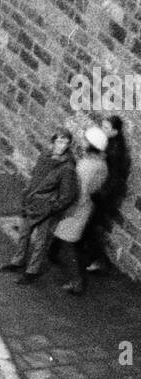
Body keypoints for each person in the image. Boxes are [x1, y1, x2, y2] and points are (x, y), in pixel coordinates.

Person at [0, 130, 78, 283]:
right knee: (24, 233)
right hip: (33, 202)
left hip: (47, 207)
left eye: (66, 143)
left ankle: (32, 272)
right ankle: (17, 261)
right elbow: (35, 178)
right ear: (53, 142)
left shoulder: (67, 167)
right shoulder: (44, 157)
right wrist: (27, 195)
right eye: (60, 141)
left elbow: (68, 195)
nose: (62, 145)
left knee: (40, 242)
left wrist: (52, 207)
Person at [50, 126, 109, 295]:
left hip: (76, 208)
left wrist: (65, 208)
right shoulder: (101, 164)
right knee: (59, 234)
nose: (82, 142)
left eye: (86, 140)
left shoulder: (86, 166)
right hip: (86, 206)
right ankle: (51, 254)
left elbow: (78, 191)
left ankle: (77, 281)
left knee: (68, 243)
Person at [85, 115, 131, 272]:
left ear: (115, 131)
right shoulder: (111, 145)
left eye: (106, 128)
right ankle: (95, 258)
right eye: (102, 126)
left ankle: (100, 261)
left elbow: (114, 178)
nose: (102, 130)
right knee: (90, 225)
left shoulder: (116, 152)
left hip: (104, 197)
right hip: (101, 193)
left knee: (91, 226)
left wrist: (99, 194)